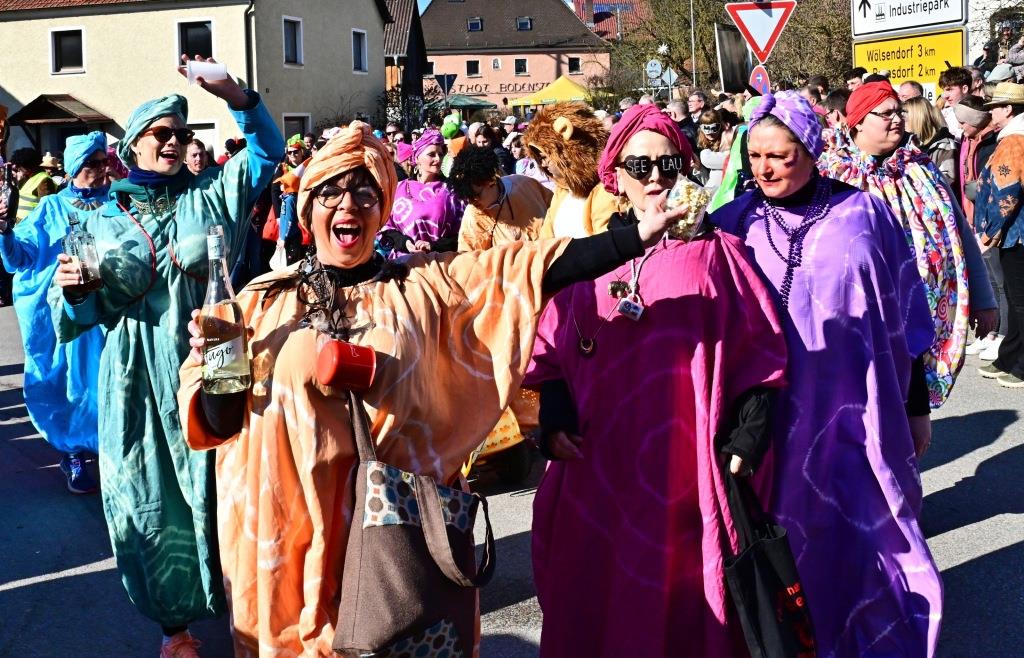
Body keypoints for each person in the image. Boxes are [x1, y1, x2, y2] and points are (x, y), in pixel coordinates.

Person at [176, 120, 686, 656]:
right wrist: (217, 360)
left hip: (395, 534)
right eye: (330, 191)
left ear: (383, 210)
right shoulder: (259, 304)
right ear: (307, 210)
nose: (347, 204)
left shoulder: (424, 284)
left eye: (365, 192)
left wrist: (635, 236)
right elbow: (216, 421)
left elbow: (533, 267)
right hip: (292, 539)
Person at [524, 102, 788, 657]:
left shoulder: (718, 255)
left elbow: (761, 349)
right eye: (639, 167)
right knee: (600, 592)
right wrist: (555, 414)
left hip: (685, 469)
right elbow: (550, 350)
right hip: (600, 464)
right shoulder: (591, 259)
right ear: (615, 178)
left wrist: (749, 430)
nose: (656, 179)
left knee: (683, 596)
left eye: (668, 165)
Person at [50, 55, 284, 658]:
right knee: (146, 491)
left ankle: (244, 601)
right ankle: (174, 627)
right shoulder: (100, 217)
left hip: (215, 356)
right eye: (163, 135)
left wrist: (232, 90)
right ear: (133, 146)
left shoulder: (212, 195)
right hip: (135, 377)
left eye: (183, 134)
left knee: (228, 482)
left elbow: (266, 151)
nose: (176, 143)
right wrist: (75, 293)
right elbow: (73, 310)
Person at [712, 90, 942, 658]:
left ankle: (879, 635)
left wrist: (916, 406)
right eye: (754, 156)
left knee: (871, 522)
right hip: (770, 418)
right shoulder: (730, 223)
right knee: (786, 533)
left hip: (860, 411)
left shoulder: (865, 216)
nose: (763, 168)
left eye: (779, 155)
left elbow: (906, 314)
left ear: (811, 150)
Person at [820, 81, 998, 407]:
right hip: (860, 324)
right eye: (886, 114)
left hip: (923, 318)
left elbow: (956, 233)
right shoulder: (833, 176)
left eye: (899, 111)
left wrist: (983, 299)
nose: (898, 119)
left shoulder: (920, 166)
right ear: (858, 121)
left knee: (910, 415)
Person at [0, 132, 107, 494]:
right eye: (93, 163)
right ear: (76, 167)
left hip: (109, 315)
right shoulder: (51, 208)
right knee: (69, 386)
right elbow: (20, 259)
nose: (101, 169)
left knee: (106, 383)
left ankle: (111, 451)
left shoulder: (118, 204)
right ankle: (73, 452)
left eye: (104, 162)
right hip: (65, 319)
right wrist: (4, 234)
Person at [975, 81, 1024, 387]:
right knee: (1015, 297)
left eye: (994, 107)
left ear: (1008, 109)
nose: (991, 112)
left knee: (1019, 301)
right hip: (1013, 233)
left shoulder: (1014, 141)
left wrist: (990, 230)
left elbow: (1008, 192)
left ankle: (1019, 365)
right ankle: (1009, 356)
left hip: (1015, 234)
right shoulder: (1012, 137)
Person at [523, 102, 629, 238]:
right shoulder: (561, 192)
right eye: (539, 159)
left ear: (569, 152)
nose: (543, 164)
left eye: (544, 157)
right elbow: (546, 241)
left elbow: (606, 246)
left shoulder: (605, 190)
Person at [449, 145, 552, 251]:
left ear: (490, 181)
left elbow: (555, 210)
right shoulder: (473, 215)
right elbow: (470, 258)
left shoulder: (525, 184)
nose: (471, 201)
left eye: (476, 195)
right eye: (467, 197)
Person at [379, 129, 464, 255]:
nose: (438, 159)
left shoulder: (452, 191)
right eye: (431, 154)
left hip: (440, 263)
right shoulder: (398, 188)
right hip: (403, 264)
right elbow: (385, 228)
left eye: (440, 154)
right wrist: (404, 242)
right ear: (417, 158)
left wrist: (433, 246)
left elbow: (464, 234)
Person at [903, 96, 958, 185]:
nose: (900, 122)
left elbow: (948, 181)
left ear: (916, 118)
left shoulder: (945, 146)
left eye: (904, 118)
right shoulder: (912, 144)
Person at [9, 147, 57, 223]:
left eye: (20, 167)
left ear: (28, 166)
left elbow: (47, 207)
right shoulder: (27, 178)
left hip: (33, 226)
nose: (18, 169)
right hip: (22, 224)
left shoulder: (44, 180)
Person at [694, 108, 733, 188]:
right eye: (706, 128)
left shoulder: (728, 142)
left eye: (714, 128)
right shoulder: (701, 146)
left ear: (721, 126)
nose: (710, 133)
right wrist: (699, 168)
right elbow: (709, 181)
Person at [939, 67, 973, 138]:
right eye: (944, 90)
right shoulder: (944, 114)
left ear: (964, 89)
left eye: (949, 90)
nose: (945, 96)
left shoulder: (978, 113)